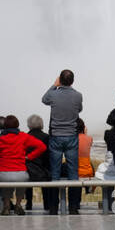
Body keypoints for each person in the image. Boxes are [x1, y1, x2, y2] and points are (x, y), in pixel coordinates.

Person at [42, 69, 83, 215]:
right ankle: (73, 206)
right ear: (72, 81)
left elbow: (44, 99)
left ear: (60, 79)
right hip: (71, 136)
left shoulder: (53, 94)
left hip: (56, 136)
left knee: (55, 173)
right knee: (73, 173)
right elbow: (80, 109)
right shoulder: (78, 95)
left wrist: (54, 85)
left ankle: (53, 207)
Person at [0, 115, 46, 215]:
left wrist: (2, 165)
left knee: (6, 182)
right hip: (20, 172)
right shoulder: (23, 136)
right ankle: (18, 204)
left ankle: (7, 206)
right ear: (17, 124)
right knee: (22, 180)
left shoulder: (0, 139)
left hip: (4, 173)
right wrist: (29, 157)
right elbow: (42, 147)